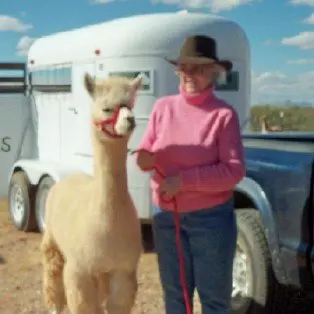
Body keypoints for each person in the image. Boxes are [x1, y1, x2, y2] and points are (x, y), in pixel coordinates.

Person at [136, 35, 246, 314]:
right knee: (175, 297)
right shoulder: (162, 108)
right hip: (165, 216)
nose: (189, 74)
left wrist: (182, 181)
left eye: (198, 68)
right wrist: (143, 158)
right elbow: (146, 152)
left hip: (210, 220)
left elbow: (233, 171)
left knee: (214, 300)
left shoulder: (223, 115)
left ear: (213, 72)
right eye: (185, 67)